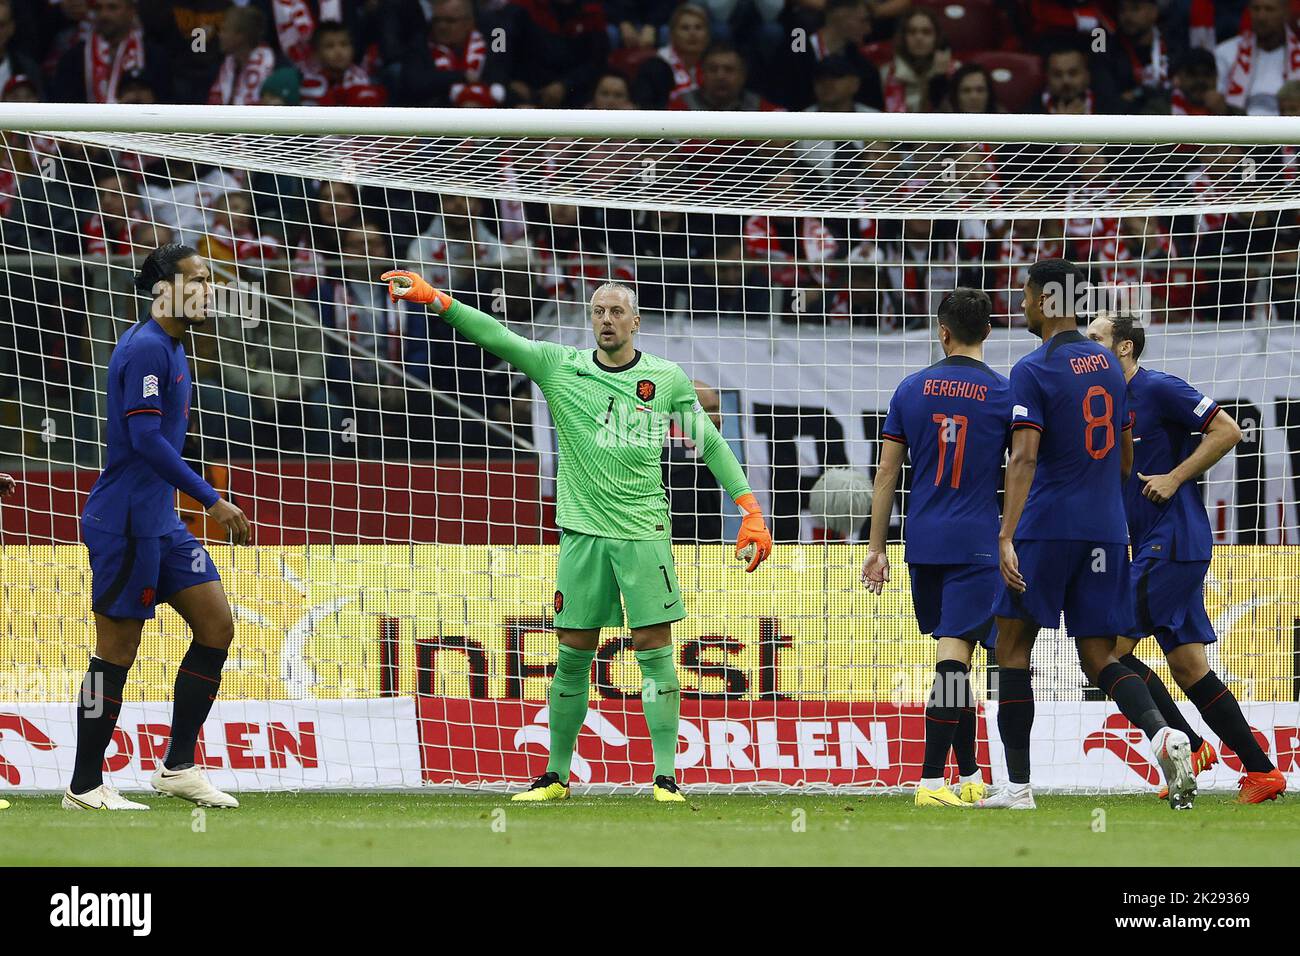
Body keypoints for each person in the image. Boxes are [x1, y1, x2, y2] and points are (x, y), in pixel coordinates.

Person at [380, 270, 773, 802]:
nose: (606, 320)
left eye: (616, 312)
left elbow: (711, 444)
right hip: (582, 534)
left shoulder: (667, 379)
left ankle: (664, 778)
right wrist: (434, 299)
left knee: (654, 648)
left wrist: (749, 509)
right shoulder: (560, 366)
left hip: (643, 532)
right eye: (598, 312)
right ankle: (556, 777)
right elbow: (496, 335)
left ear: (636, 322)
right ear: (590, 321)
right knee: (572, 650)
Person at [975, 258, 1195, 810]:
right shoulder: (1107, 364)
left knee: (1011, 646)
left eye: (1026, 297)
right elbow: (1125, 460)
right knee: (1099, 655)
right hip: (1106, 531)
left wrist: (1006, 535)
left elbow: (1023, 456)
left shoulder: (1032, 367)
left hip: (1047, 528)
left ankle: (1019, 787)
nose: (1021, 306)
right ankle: (1163, 735)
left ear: (1047, 301)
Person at [68, 243, 250, 812]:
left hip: (161, 522)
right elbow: (146, 441)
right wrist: (212, 501)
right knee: (117, 651)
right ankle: (84, 785)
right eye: (197, 278)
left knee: (217, 625)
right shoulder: (146, 348)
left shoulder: (173, 345)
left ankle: (178, 767)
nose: (209, 288)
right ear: (165, 288)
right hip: (124, 524)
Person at [1086, 312, 1287, 805]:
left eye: (1096, 338)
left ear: (1126, 348)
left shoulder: (1158, 389)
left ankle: (1190, 747)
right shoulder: (1103, 403)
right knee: (1189, 666)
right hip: (1154, 543)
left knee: (1106, 652)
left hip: (1173, 541)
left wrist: (1174, 477)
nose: (1088, 347)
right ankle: (1262, 773)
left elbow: (1227, 431)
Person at [862, 289, 1011, 807]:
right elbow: (1022, 471)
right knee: (955, 660)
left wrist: (876, 548)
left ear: (941, 332)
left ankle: (968, 772)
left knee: (956, 654)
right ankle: (929, 782)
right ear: (988, 332)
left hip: (921, 543)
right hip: (976, 544)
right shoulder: (1003, 394)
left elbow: (885, 474)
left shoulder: (910, 389)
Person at [1216, 0, 1299, 116]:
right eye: (1256, 9)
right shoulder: (1226, 52)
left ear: (1286, 14)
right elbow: (1215, 98)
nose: (1261, 17)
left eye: (1269, 9)